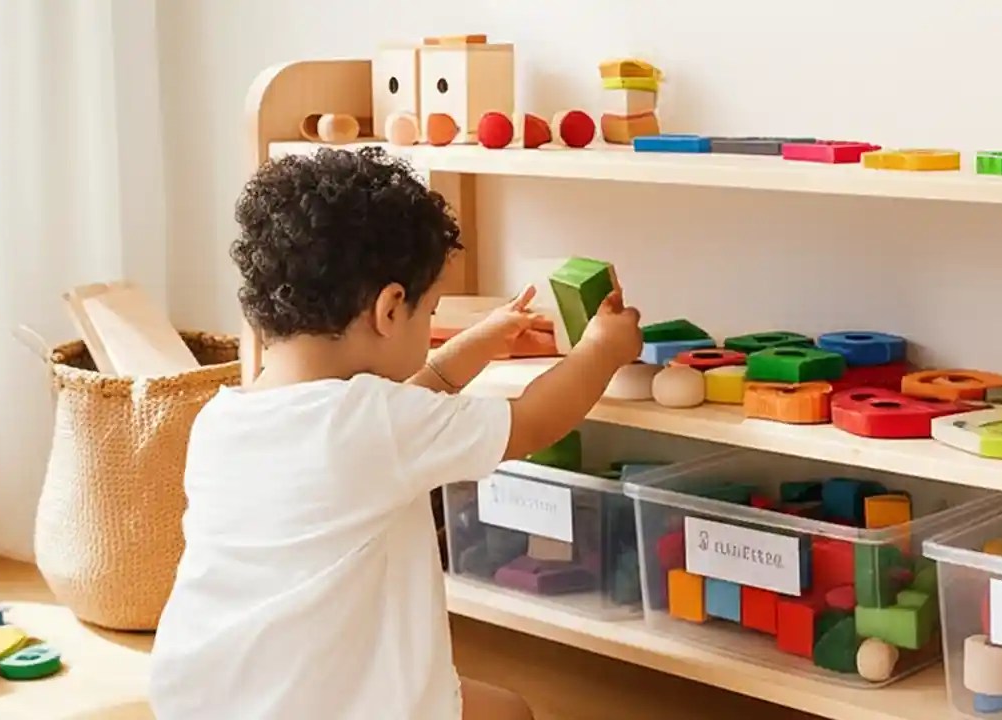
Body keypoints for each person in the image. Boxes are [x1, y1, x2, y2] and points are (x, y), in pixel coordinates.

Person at [150, 148, 642, 720]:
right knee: (513, 714)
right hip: (327, 705)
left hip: (208, 698)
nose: (431, 326)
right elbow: (531, 421)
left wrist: (478, 344)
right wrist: (602, 350)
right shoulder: (375, 426)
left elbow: (397, 414)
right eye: (430, 312)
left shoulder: (224, 418)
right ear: (389, 308)